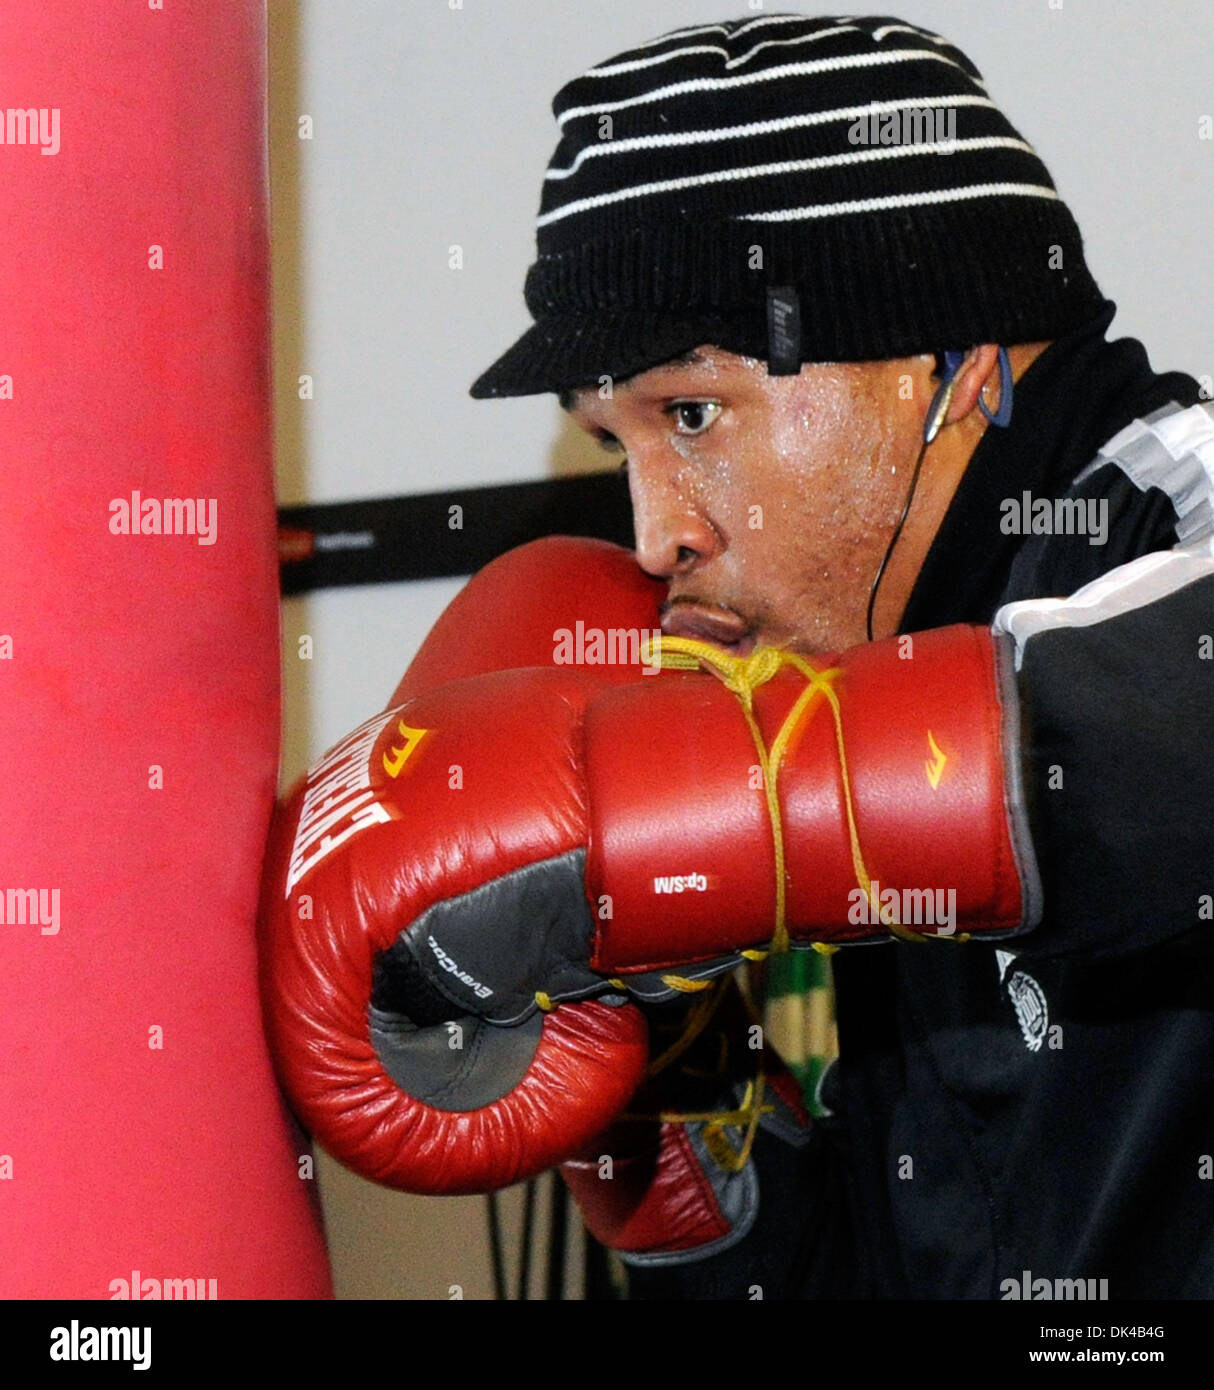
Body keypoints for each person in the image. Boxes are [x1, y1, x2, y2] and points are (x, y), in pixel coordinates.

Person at [259, 13, 1214, 1300]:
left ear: (951, 360)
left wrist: (679, 826)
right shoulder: (867, 659)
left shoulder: (1169, 517)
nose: (654, 534)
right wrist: (662, 1090)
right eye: (617, 443)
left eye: (694, 412)